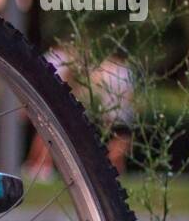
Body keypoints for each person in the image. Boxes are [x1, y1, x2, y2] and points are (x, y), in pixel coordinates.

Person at [25, 45, 134, 178]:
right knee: (49, 135)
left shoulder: (103, 67)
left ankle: (113, 171)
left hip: (107, 111)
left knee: (45, 134)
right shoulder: (119, 69)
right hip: (114, 112)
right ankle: (42, 166)